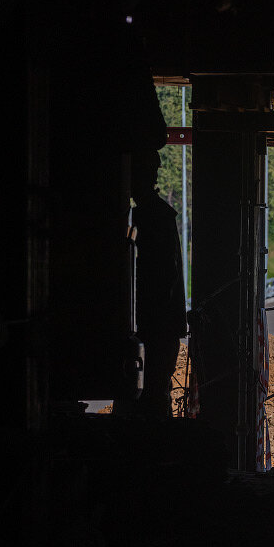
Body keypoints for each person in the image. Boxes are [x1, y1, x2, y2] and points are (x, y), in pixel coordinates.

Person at [113, 149, 187, 418]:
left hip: (153, 329)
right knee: (153, 397)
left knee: (144, 399)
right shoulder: (158, 216)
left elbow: (157, 278)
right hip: (160, 330)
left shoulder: (148, 219)